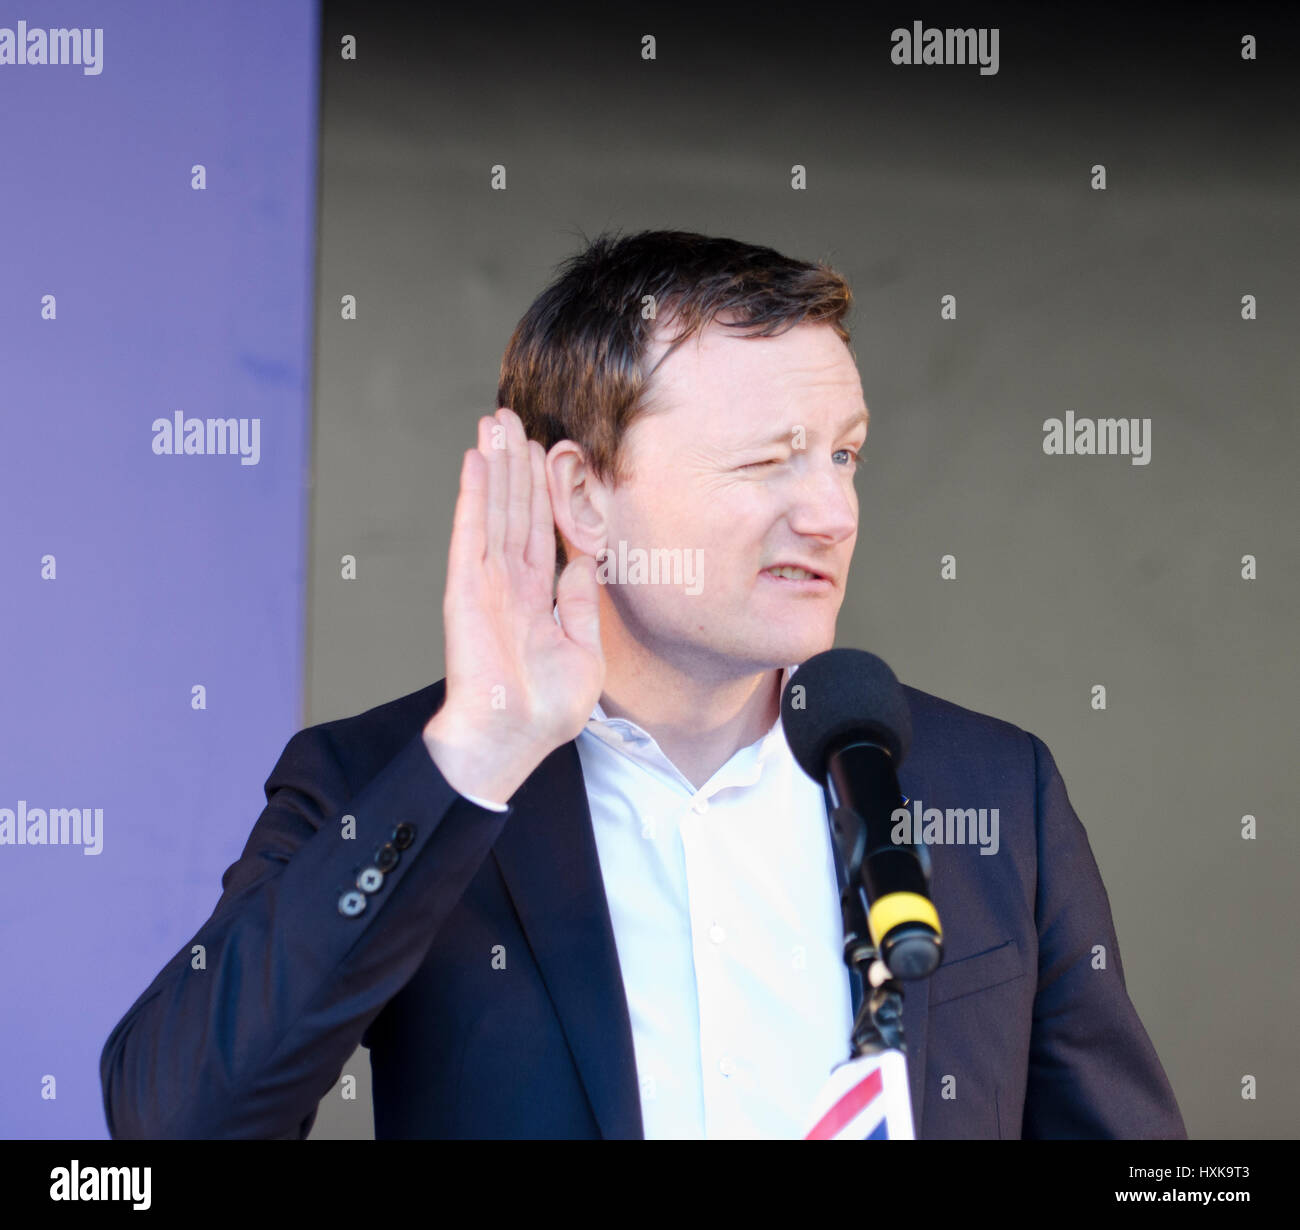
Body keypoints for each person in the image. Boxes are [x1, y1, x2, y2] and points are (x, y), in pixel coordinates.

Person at [100, 229, 1186, 1139]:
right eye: (769, 460)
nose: (831, 513)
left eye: (844, 457)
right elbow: (172, 1120)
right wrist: (476, 756)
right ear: (582, 496)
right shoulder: (388, 782)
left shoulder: (994, 790)